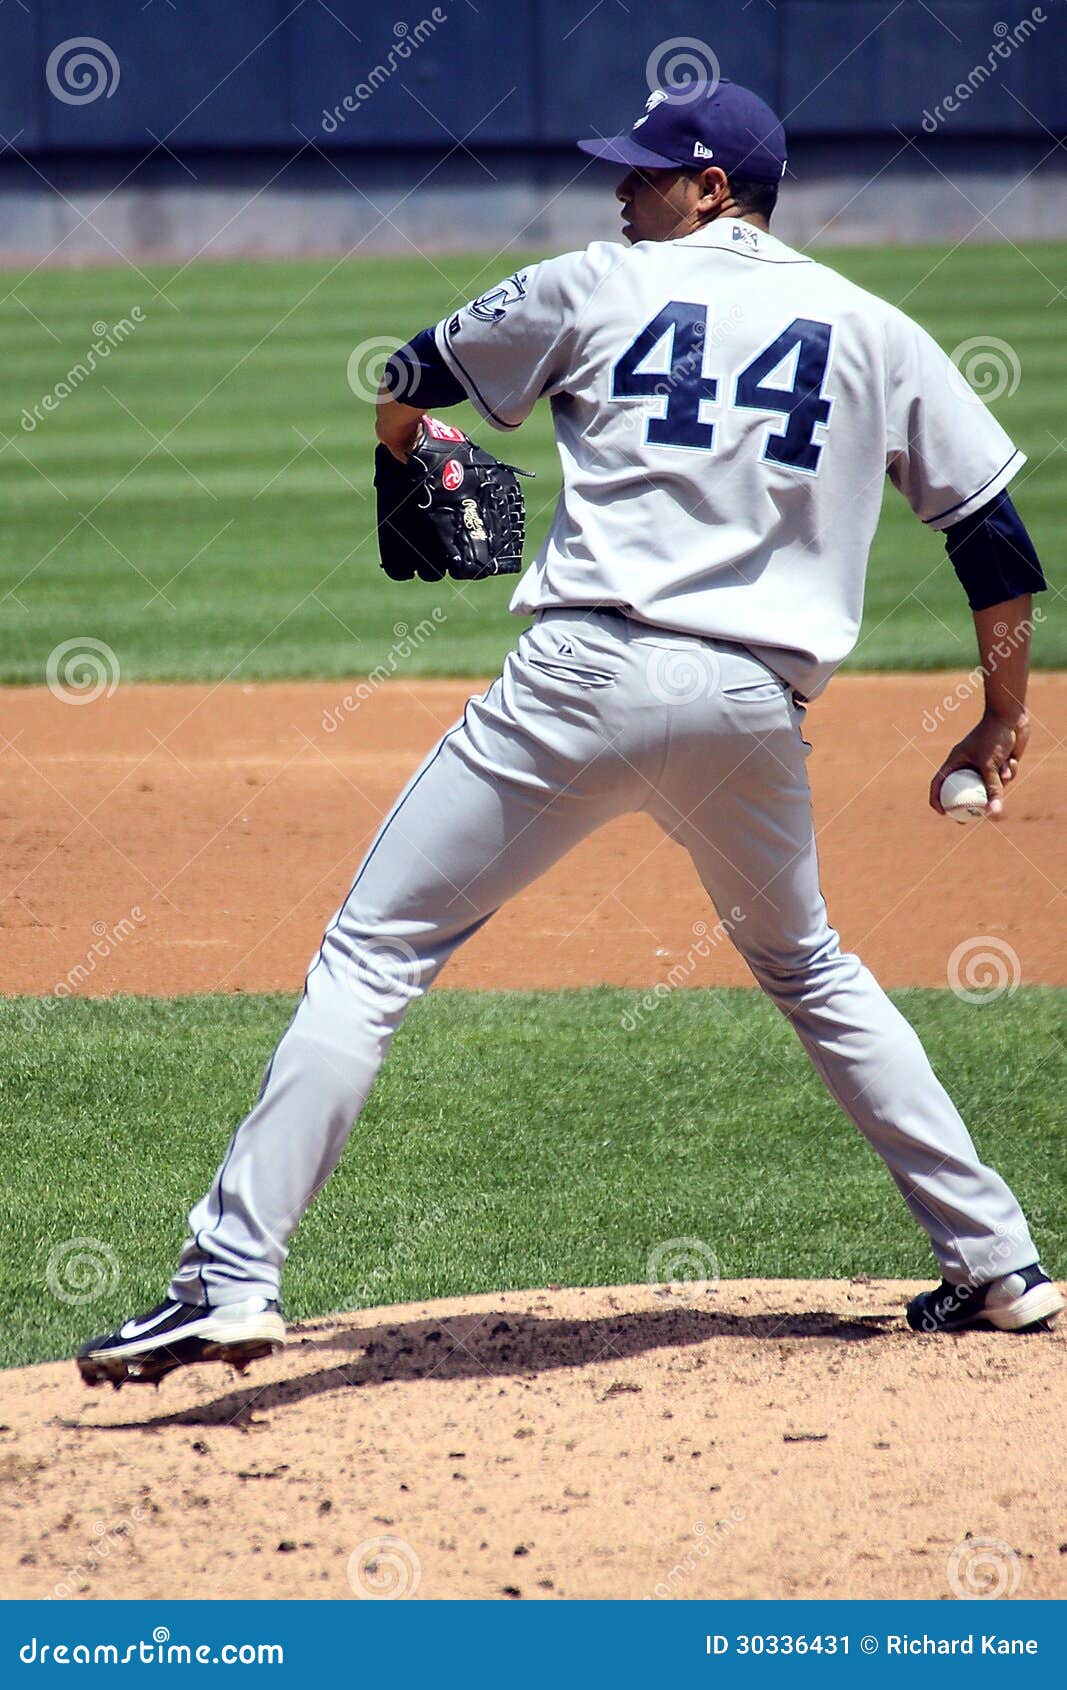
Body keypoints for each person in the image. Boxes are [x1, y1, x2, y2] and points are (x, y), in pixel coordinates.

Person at [77, 79, 1060, 1386]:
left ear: (716, 189)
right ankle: (998, 1262)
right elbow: (993, 536)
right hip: (751, 709)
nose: (619, 187)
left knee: (373, 956)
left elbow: (408, 369)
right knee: (809, 965)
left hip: (579, 681)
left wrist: (403, 444)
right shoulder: (875, 326)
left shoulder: (598, 282)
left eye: (647, 171)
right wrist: (1000, 719)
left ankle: (227, 1280)